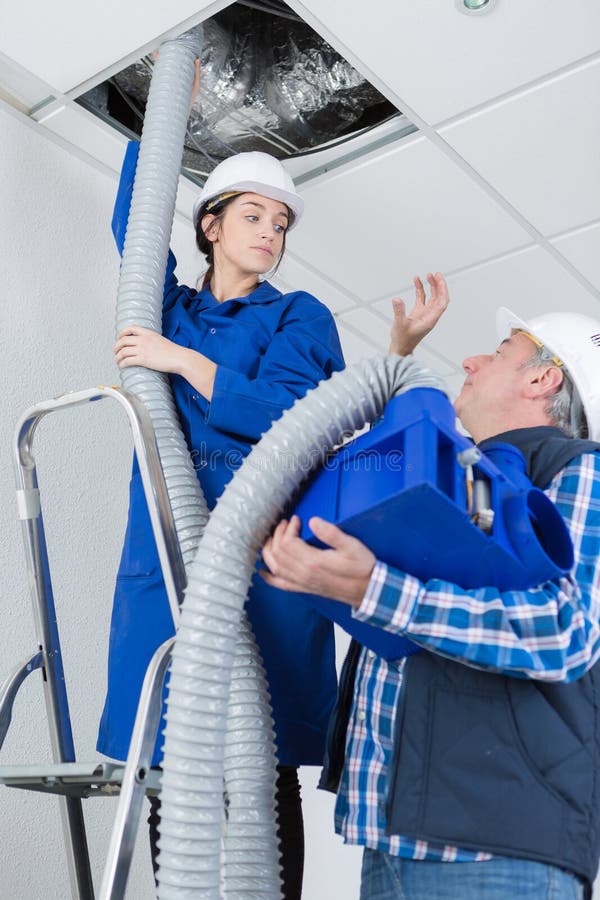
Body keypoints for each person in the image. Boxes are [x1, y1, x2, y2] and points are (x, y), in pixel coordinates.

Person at [96, 72, 345, 898]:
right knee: (176, 766)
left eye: (280, 224)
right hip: (167, 563)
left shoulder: (297, 316)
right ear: (209, 225)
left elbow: (292, 414)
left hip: (260, 573)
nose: (270, 233)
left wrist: (184, 364)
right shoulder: (164, 306)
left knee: (260, 769)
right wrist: (160, 116)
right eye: (252, 216)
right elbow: (131, 227)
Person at [261, 294, 600, 900]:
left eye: (498, 354)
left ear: (544, 378)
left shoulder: (579, 473)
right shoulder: (461, 475)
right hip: (393, 837)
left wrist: (373, 590)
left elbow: (564, 629)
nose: (469, 362)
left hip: (496, 845)